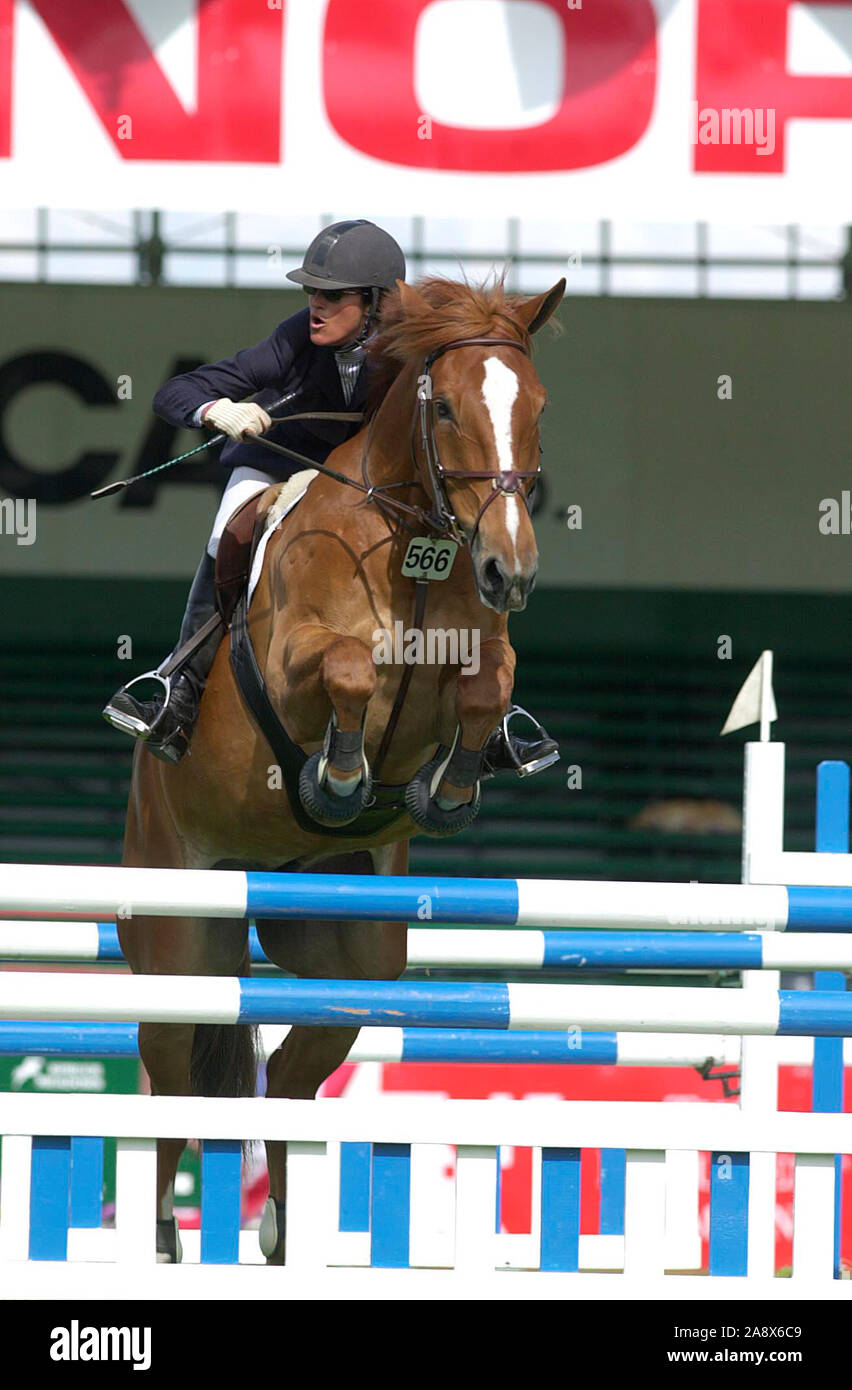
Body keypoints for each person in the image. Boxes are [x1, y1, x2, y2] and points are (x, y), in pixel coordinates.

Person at [103, 219, 557, 779]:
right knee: (230, 531)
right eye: (312, 292)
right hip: (283, 465)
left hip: (373, 482)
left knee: (472, 530)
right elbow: (177, 391)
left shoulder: (410, 349)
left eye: (332, 295)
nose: (315, 305)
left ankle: (497, 711)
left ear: (375, 303)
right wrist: (218, 410)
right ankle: (179, 685)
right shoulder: (295, 338)